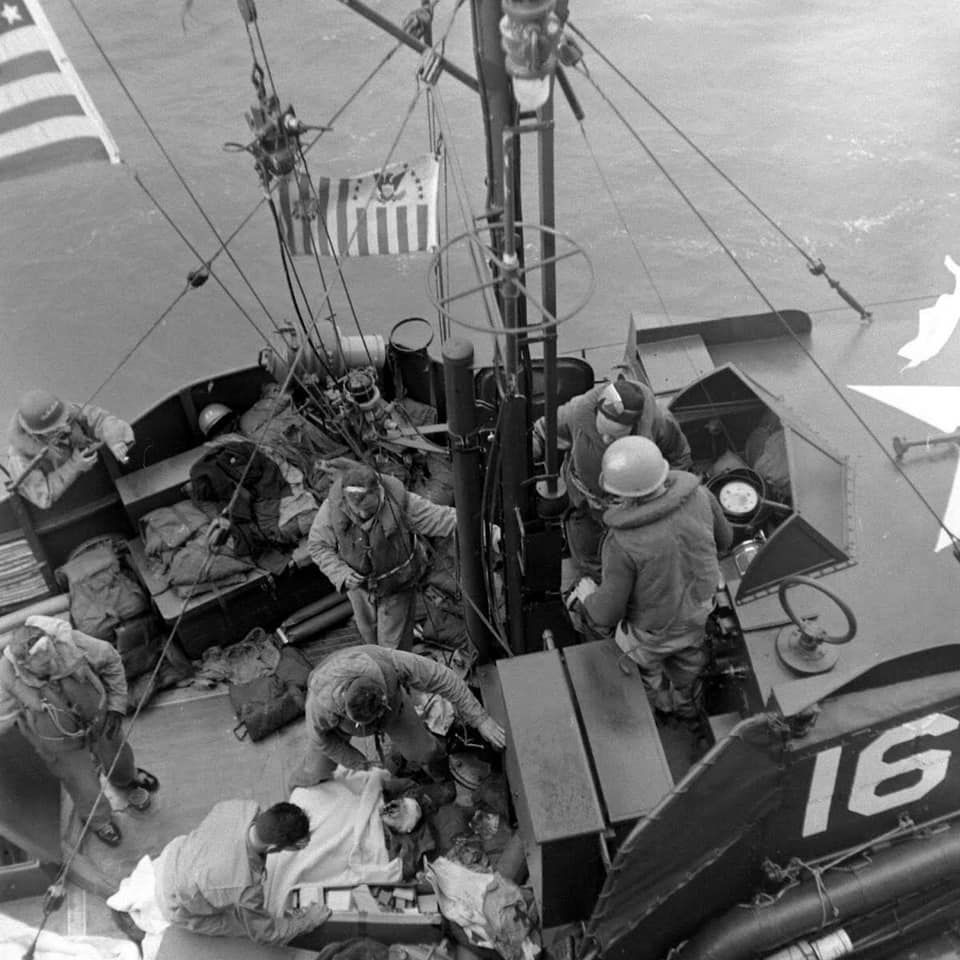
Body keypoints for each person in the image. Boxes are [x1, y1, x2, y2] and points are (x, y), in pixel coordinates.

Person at [572, 436, 732, 736]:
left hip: (650, 636)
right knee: (690, 668)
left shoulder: (622, 542)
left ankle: (660, 710)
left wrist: (587, 597)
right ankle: (687, 709)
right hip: (699, 616)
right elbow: (725, 541)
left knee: (645, 675)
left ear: (623, 494)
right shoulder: (700, 497)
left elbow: (606, 614)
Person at [0, 615, 158, 847]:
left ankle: (126, 779)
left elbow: (111, 661)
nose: (53, 663)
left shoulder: (74, 643)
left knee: (119, 755)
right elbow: (3, 719)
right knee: (81, 783)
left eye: (53, 654)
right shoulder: (5, 681)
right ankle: (99, 820)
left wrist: (116, 705)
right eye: (44, 665)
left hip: (99, 719)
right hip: (59, 742)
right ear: (25, 666)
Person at [531, 378, 692, 580]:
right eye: (602, 433)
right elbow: (541, 432)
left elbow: (680, 456)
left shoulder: (659, 422)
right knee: (586, 554)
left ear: (634, 427)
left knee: (639, 565)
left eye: (615, 437)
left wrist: (665, 497)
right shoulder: (576, 412)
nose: (607, 441)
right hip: (585, 506)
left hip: (635, 510)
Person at [289, 644, 506, 788]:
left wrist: (481, 719)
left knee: (425, 752)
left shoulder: (391, 664)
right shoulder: (320, 708)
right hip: (340, 730)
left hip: (395, 709)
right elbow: (322, 741)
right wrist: (362, 765)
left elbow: (443, 678)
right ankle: (293, 801)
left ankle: (442, 782)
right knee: (316, 770)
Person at [307, 463, 457, 650]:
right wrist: (340, 573)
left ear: (379, 492)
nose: (363, 516)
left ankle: (399, 673)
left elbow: (445, 519)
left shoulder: (404, 504)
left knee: (394, 646)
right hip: (359, 590)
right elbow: (317, 546)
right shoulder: (332, 509)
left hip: (397, 585)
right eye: (357, 512)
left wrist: (493, 533)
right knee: (368, 634)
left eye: (369, 511)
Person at [154, 799, 330, 943]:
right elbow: (266, 934)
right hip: (173, 900)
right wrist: (307, 921)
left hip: (174, 853)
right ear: (273, 847)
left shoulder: (239, 806)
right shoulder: (246, 886)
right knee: (242, 928)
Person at [6, 389, 134, 509]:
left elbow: (101, 419)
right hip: (74, 505)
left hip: (102, 485)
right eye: (56, 430)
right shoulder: (19, 458)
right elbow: (44, 497)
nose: (67, 428)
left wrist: (115, 440)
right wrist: (74, 466)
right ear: (36, 434)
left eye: (67, 420)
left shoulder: (63, 413)